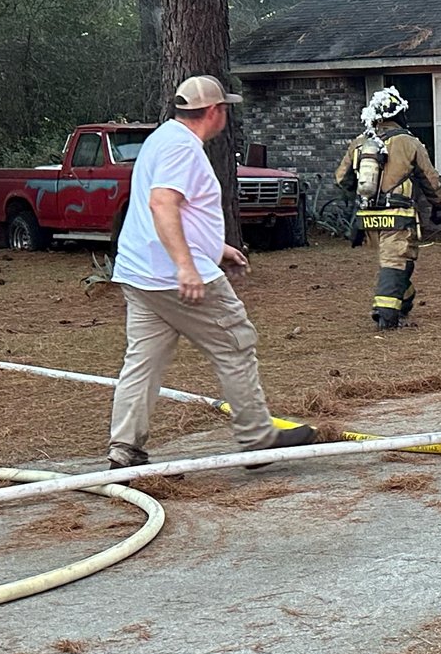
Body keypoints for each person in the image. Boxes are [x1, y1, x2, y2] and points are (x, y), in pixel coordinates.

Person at [107, 75, 318, 468]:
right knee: (235, 342)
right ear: (215, 111)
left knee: (143, 360)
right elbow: (162, 205)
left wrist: (213, 247)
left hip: (141, 275)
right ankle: (257, 437)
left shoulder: (163, 139)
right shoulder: (183, 149)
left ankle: (125, 450)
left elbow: (178, 211)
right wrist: (187, 266)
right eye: (226, 109)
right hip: (175, 277)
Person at [335, 86, 441, 329]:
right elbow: (430, 179)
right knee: (396, 263)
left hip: (367, 219)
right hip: (397, 215)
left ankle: (404, 300)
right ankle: (386, 314)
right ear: (399, 114)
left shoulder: (361, 143)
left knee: (394, 261)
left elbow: (342, 179)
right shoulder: (409, 143)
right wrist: (439, 206)